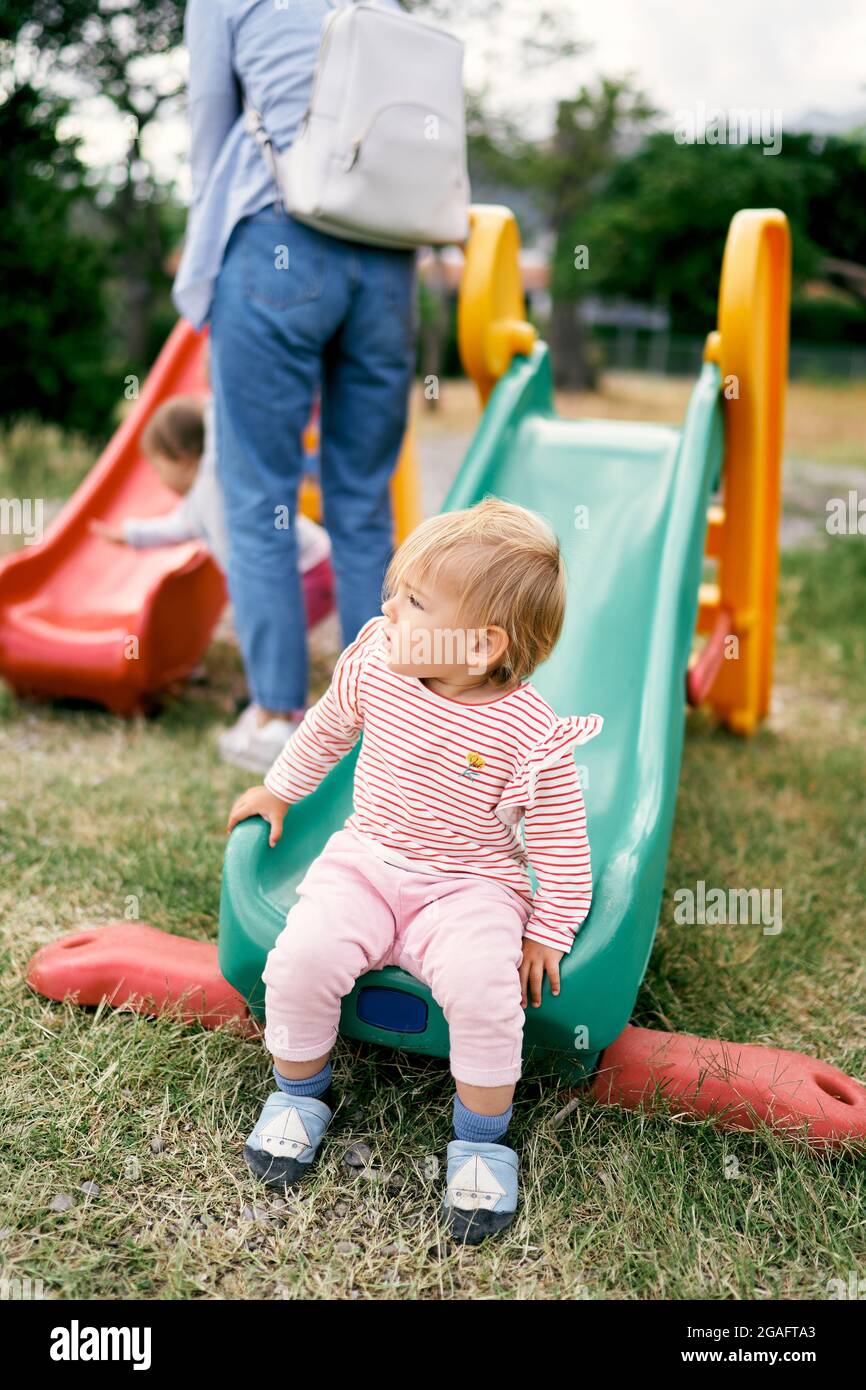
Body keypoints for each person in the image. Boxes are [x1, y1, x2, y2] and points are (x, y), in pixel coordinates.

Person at [225, 497, 604, 1246]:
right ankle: (300, 1095)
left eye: (414, 601)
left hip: (472, 887)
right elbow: (328, 727)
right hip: (368, 858)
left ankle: (481, 1138)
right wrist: (279, 788)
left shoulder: (530, 736)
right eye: (397, 591)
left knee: (486, 992)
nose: (388, 607)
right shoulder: (378, 665)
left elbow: (562, 844)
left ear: (479, 646)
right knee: (299, 959)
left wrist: (549, 929)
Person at [174, 0, 417, 770]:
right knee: (362, 499)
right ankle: (384, 724)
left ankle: (279, 713)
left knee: (259, 495)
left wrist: (202, 250)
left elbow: (211, 124)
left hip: (278, 231)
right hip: (386, 255)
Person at [89, 396, 335, 760]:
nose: (159, 479)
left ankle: (282, 716)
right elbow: (173, 528)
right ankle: (274, 710)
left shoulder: (217, 474)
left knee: (271, 639)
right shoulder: (194, 503)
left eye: (158, 468)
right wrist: (130, 534)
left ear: (181, 456)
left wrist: (217, 370)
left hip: (311, 568)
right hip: (303, 572)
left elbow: (221, 423)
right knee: (266, 637)